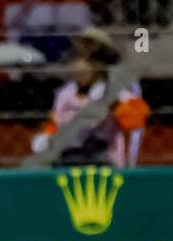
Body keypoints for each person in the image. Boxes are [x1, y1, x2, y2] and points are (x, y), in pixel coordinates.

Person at [32, 27, 149, 167]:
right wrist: (47, 136)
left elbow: (134, 122)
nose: (79, 67)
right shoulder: (65, 95)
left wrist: (111, 102)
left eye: (89, 61)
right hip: (69, 157)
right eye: (77, 59)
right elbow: (56, 123)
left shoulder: (120, 94)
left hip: (103, 160)